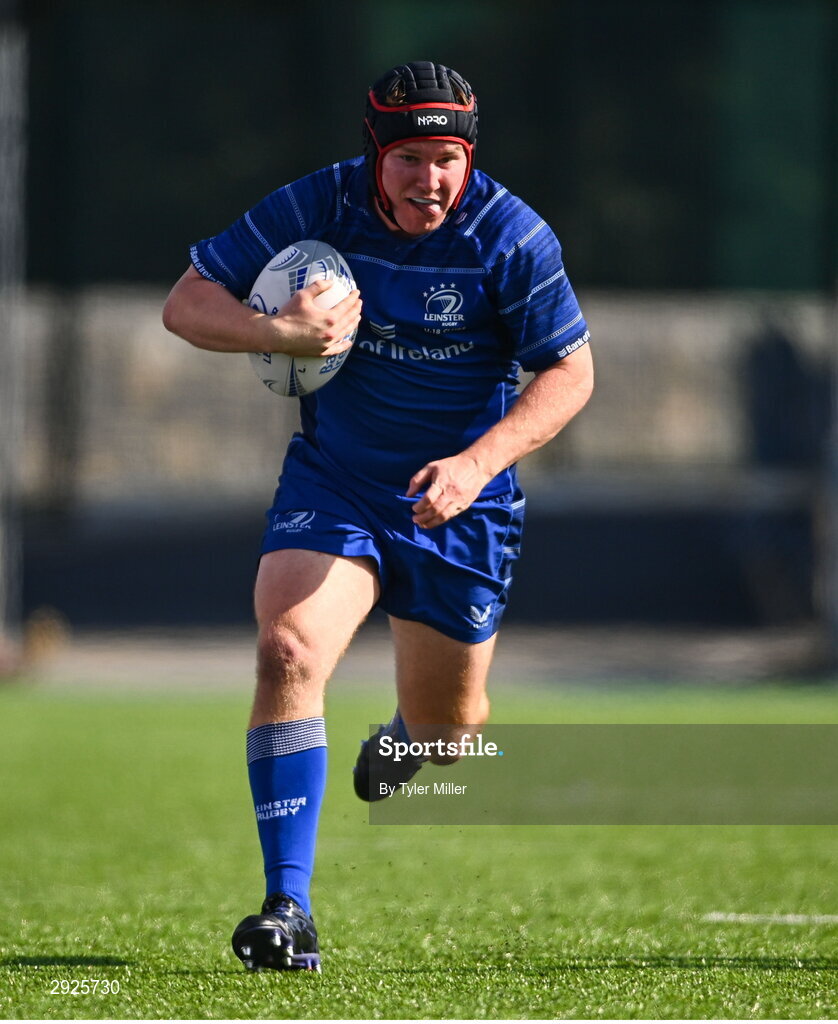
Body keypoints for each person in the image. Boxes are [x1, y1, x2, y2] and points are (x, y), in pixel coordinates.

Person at [162, 60, 593, 973]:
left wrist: (478, 466)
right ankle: (288, 907)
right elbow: (187, 303)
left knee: (453, 731)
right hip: (337, 484)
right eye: (409, 160)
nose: (429, 180)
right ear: (374, 154)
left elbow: (571, 373)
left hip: (457, 506)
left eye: (446, 158)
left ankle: (406, 742)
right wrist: (281, 334)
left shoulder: (511, 237)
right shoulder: (318, 206)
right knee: (287, 651)